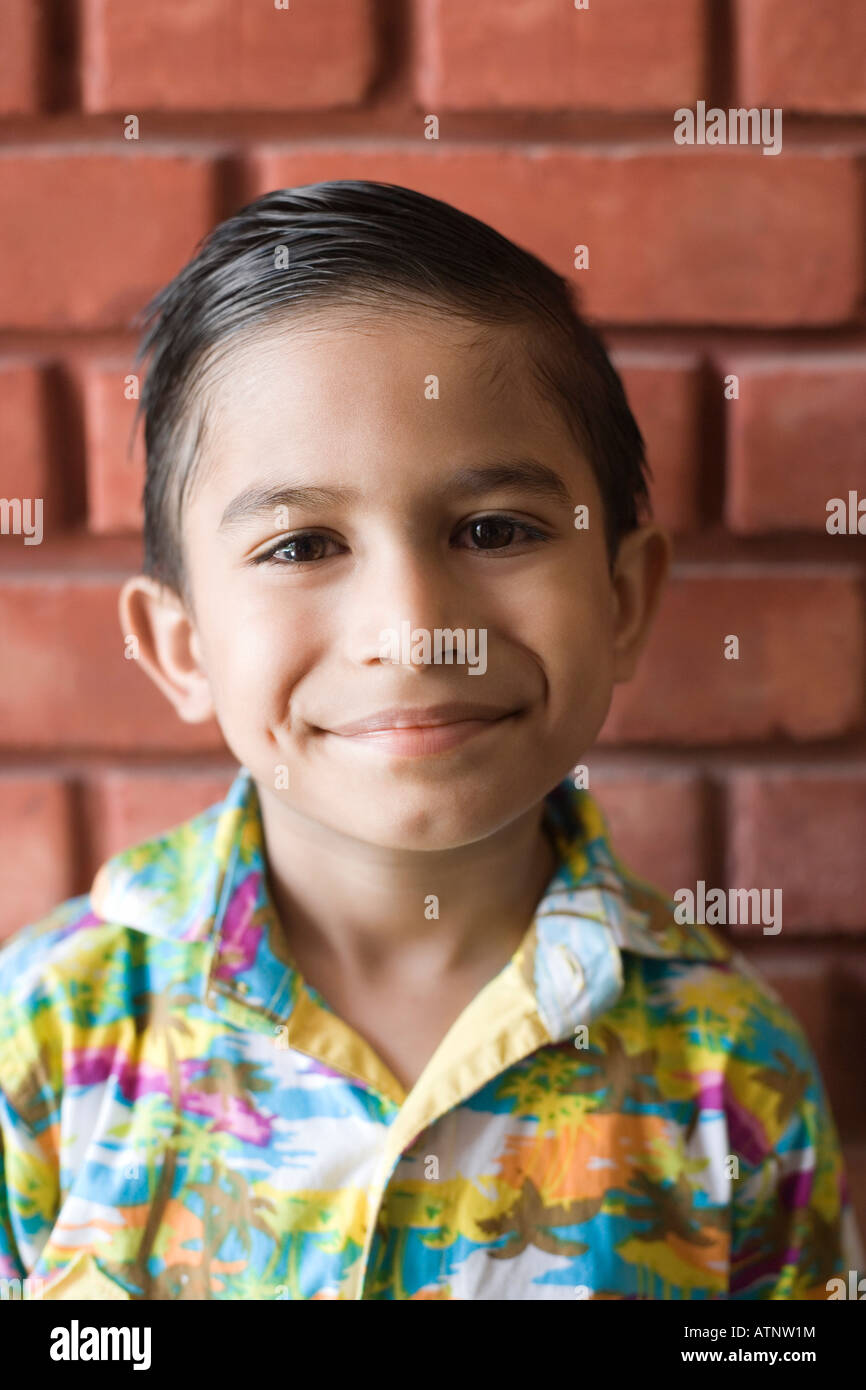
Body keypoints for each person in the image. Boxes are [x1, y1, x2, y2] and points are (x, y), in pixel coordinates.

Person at [0, 181, 861, 1301]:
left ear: (623, 601)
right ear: (181, 648)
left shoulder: (732, 1070)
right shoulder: (50, 1036)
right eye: (303, 544)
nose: (415, 631)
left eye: (493, 529)